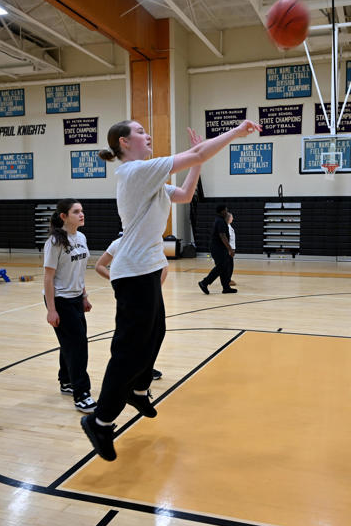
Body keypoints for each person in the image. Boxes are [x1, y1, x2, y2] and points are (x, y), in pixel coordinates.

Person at [81, 118, 261, 461]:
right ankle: (100, 421)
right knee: (129, 350)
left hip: (147, 269)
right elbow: (197, 154)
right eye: (140, 132)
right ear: (123, 142)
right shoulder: (135, 172)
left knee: (156, 333)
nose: (147, 134)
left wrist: (198, 161)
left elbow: (186, 194)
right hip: (132, 271)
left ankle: (137, 390)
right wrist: (236, 132)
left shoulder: (149, 179)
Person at [43, 198, 95, 413]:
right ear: (64, 216)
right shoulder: (55, 242)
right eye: (76, 212)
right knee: (78, 346)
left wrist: (84, 296)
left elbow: (79, 272)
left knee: (71, 343)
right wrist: (51, 309)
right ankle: (81, 395)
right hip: (60, 300)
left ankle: (66, 381)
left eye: (82, 211)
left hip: (75, 298)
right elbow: (48, 278)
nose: (81, 214)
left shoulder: (81, 237)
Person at [94, 235, 165, 381]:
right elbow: (99, 265)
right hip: (129, 294)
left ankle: (146, 368)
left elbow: (164, 267)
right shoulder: (118, 243)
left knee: (156, 332)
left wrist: (155, 289)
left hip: (149, 293)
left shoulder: (149, 242)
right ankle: (131, 372)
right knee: (133, 334)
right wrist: (115, 277)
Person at [197, 205, 236, 294]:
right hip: (217, 248)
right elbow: (222, 236)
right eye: (226, 210)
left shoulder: (221, 220)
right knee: (221, 266)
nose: (227, 212)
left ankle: (226, 287)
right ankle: (204, 282)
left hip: (220, 248)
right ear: (222, 211)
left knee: (224, 267)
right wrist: (230, 249)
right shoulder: (220, 221)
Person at [227, 212, 237, 286]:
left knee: (230, 265)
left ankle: (228, 279)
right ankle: (227, 280)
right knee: (229, 266)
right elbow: (227, 239)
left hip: (231, 249)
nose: (233, 218)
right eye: (232, 217)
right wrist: (230, 250)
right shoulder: (227, 227)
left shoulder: (229, 226)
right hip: (228, 250)